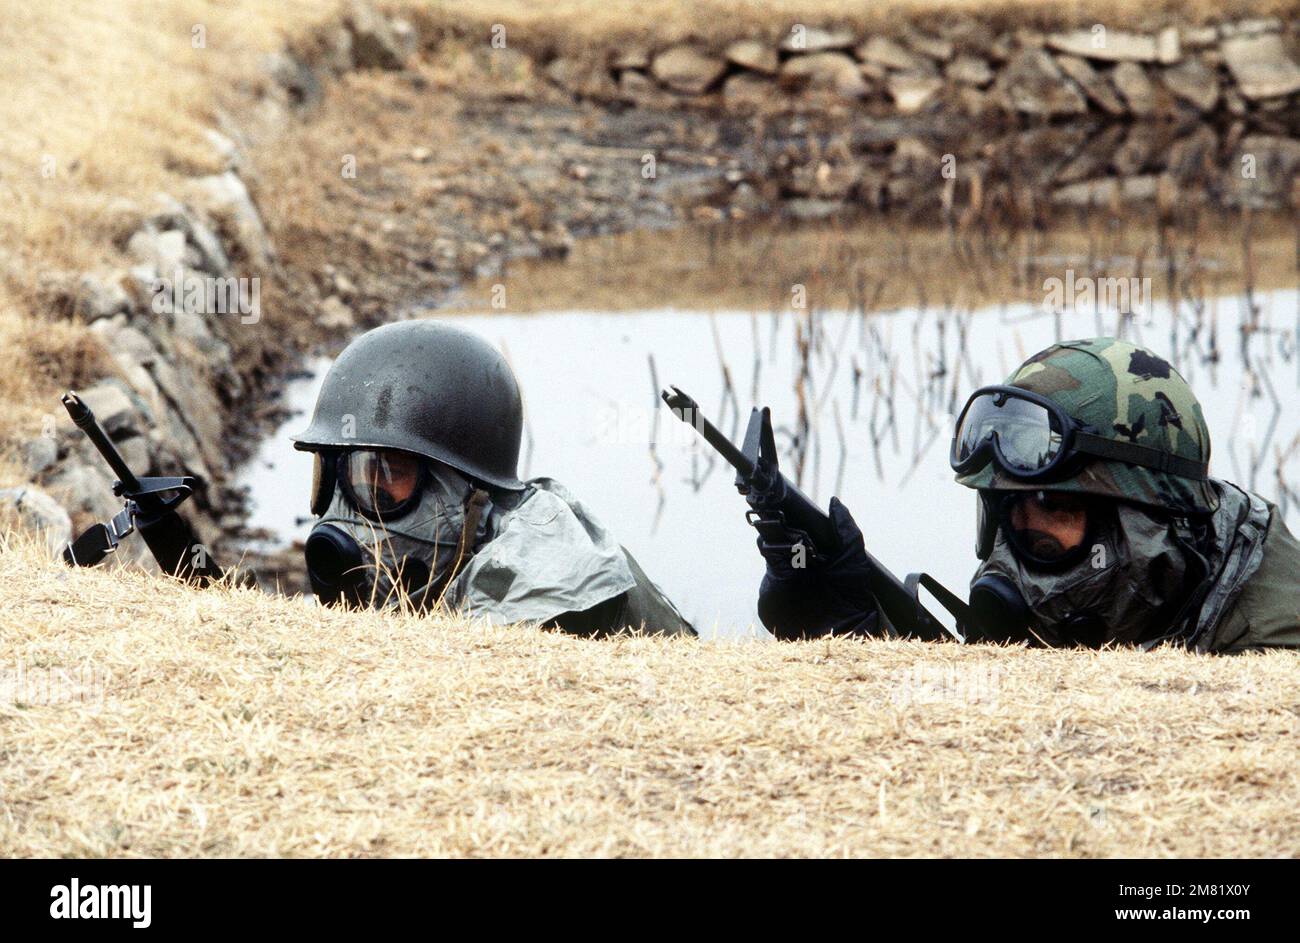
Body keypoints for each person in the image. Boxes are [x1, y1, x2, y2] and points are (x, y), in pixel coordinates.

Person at [749, 337, 1300, 653]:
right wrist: (851, 635)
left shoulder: (1275, 655)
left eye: (1051, 507)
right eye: (1003, 511)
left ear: (1147, 524)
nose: (1011, 550)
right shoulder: (1141, 601)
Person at [292, 319, 694, 637]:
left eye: (386, 476)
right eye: (333, 475)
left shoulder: (539, 586)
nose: (346, 515)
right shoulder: (454, 562)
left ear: (472, 495)